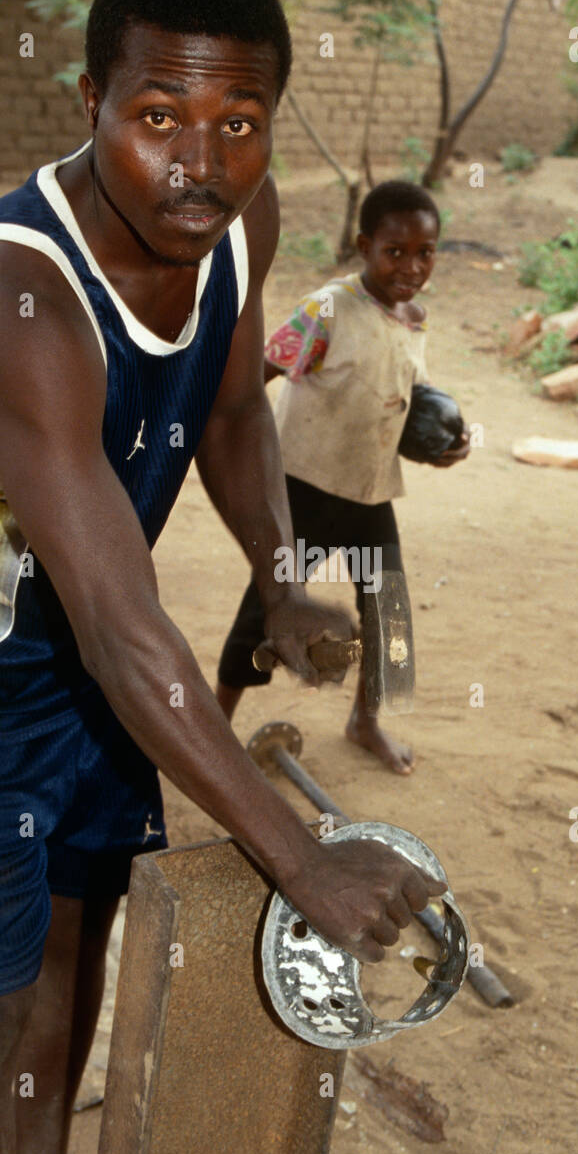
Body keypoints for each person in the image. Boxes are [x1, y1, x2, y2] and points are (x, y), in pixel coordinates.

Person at [0, 0, 444, 1154]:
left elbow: (232, 416)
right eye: (157, 118)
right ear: (86, 102)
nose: (200, 162)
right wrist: (302, 858)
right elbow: (113, 618)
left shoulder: (235, 224)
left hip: (106, 665)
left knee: (79, 955)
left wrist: (281, 572)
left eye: (237, 121)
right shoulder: (17, 293)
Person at [216, 181, 470, 774]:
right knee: (264, 612)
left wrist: (441, 443)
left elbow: (408, 399)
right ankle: (215, 730)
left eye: (426, 252)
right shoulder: (328, 308)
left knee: (390, 614)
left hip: (368, 492)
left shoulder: (415, 319)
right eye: (395, 251)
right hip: (300, 490)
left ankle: (365, 721)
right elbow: (255, 377)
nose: (411, 265)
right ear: (364, 245)